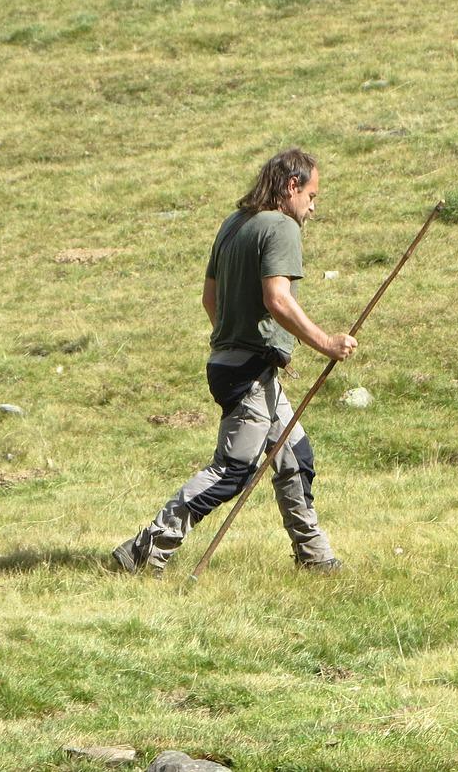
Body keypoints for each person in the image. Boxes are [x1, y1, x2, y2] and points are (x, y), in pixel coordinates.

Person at [113, 149, 356, 577]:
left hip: (235, 363)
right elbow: (277, 298)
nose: (313, 208)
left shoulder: (234, 223)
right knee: (232, 471)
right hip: (248, 372)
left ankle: (315, 556)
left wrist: (246, 342)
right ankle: (144, 549)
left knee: (295, 455)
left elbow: (210, 299)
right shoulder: (281, 226)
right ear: (292, 186)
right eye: (312, 196)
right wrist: (325, 343)